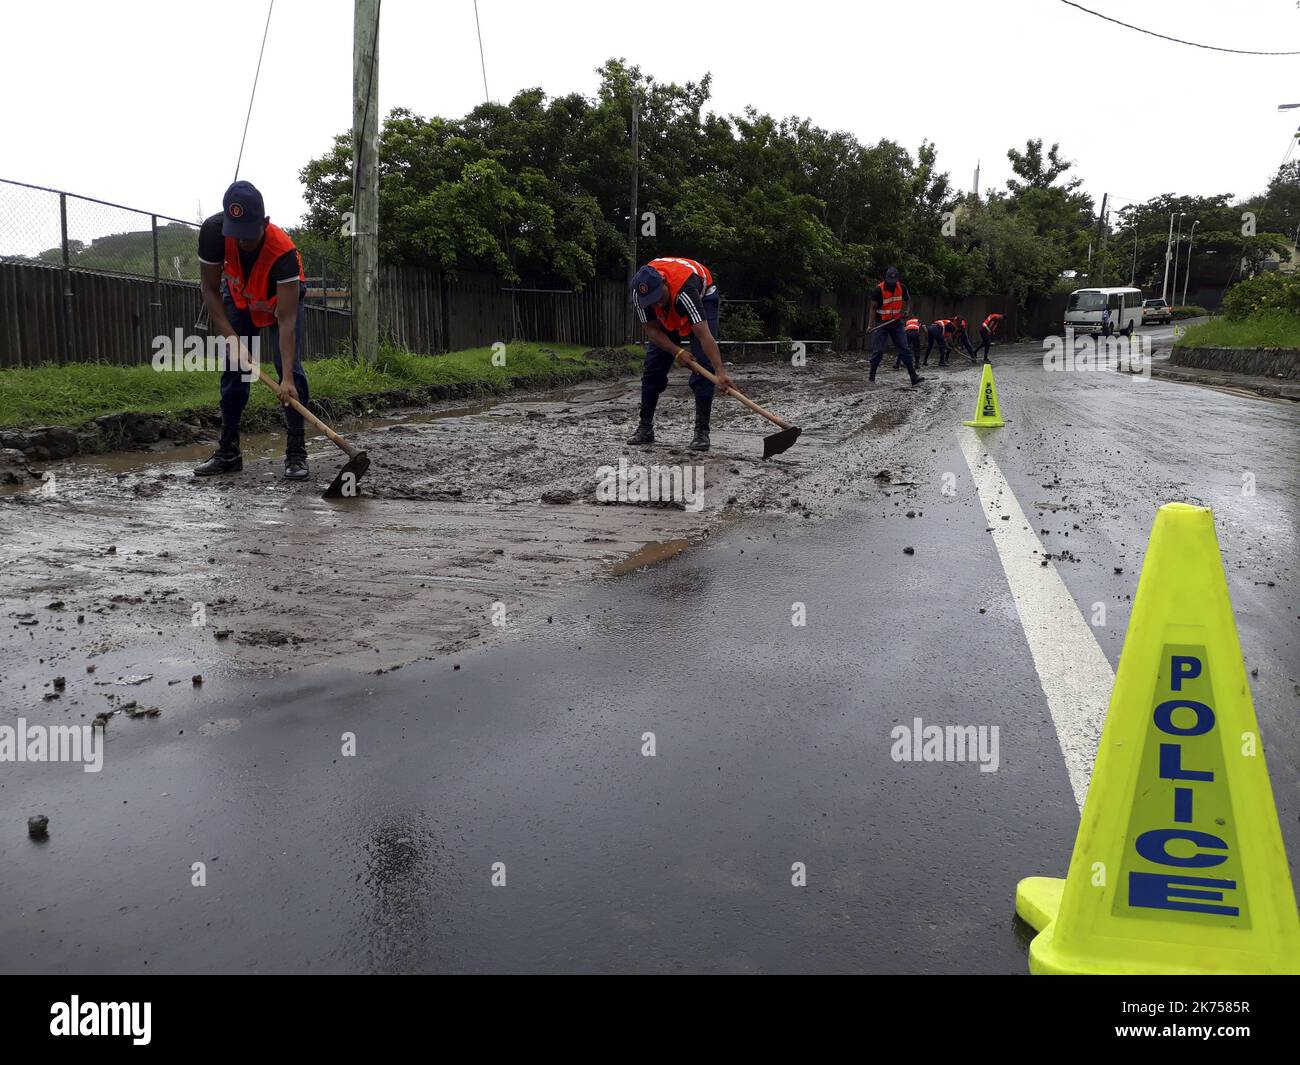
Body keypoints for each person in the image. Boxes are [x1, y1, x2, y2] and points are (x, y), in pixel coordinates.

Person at [193, 181, 310, 479]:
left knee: (290, 370)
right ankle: (229, 451)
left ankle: (296, 453)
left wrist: (283, 380)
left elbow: (286, 319)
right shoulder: (213, 234)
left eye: (249, 233)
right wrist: (232, 339)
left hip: (277, 305)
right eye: (237, 233)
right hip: (240, 301)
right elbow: (209, 289)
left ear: (265, 222)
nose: (242, 242)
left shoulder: (284, 253)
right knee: (235, 369)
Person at [627, 257, 732, 452]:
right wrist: (678, 352)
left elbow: (704, 334)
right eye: (652, 301)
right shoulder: (640, 295)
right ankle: (645, 428)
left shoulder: (685, 292)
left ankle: (701, 432)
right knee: (653, 369)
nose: (656, 303)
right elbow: (651, 330)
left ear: (664, 283)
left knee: (703, 365)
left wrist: (720, 372)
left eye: (659, 297)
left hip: (703, 298)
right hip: (671, 310)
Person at [869, 267, 924, 385]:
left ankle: (913, 376)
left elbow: (908, 300)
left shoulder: (902, 288)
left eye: (894, 281)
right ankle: (871, 377)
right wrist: (870, 325)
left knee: (904, 348)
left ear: (897, 279)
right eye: (889, 280)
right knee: (878, 351)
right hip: (882, 323)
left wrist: (907, 311)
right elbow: (873, 308)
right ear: (886, 278)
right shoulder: (878, 290)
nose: (892, 283)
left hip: (896, 323)